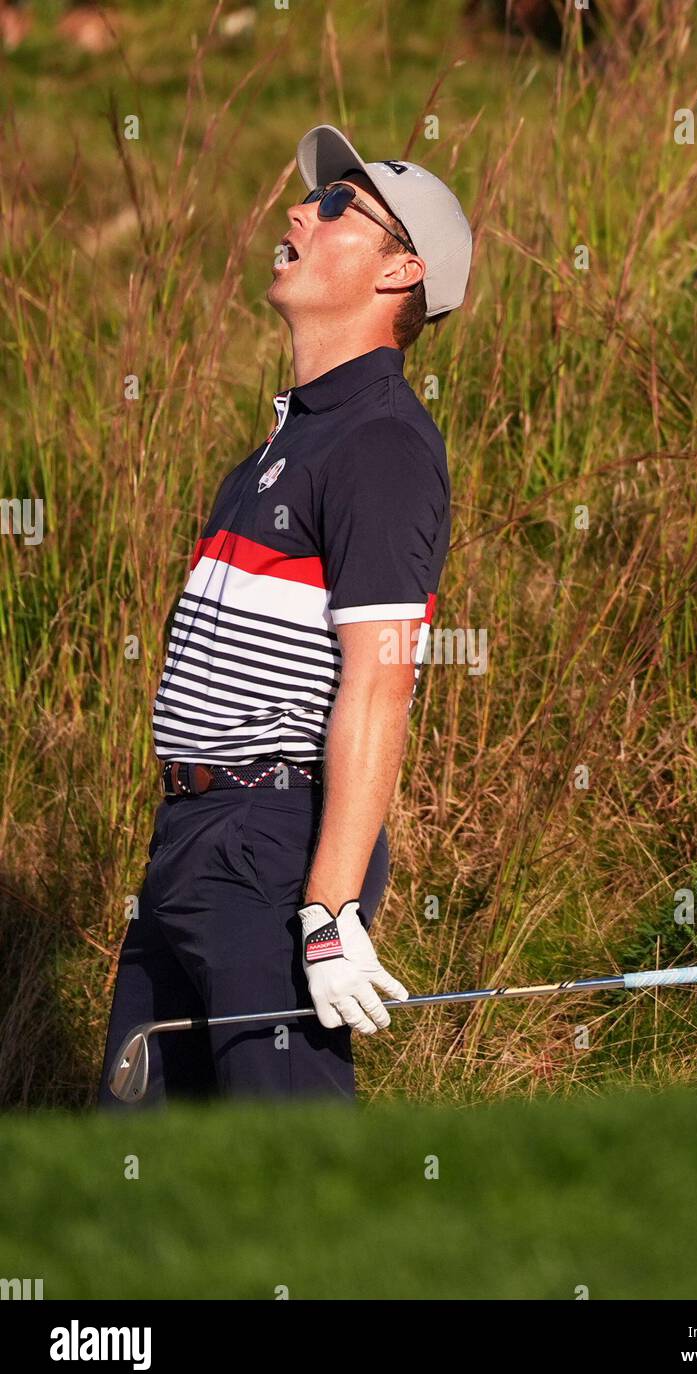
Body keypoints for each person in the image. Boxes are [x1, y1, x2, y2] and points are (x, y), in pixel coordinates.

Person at [97, 123, 473, 1105]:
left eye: (340, 205)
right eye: (314, 197)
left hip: (270, 847)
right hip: (189, 840)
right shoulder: (286, 441)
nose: (302, 209)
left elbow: (379, 685)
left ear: (402, 273)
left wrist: (328, 908)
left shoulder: (382, 443)